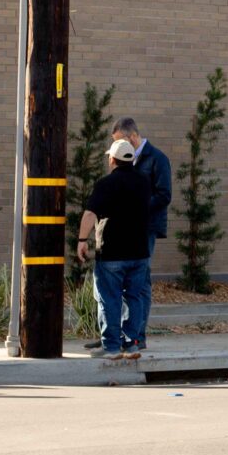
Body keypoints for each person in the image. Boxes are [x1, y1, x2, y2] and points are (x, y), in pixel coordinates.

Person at [79, 140, 154, 359]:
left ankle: (111, 347)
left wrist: (82, 240)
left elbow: (90, 214)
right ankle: (130, 343)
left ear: (112, 159)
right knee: (134, 298)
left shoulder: (106, 184)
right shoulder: (144, 183)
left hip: (112, 253)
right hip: (139, 253)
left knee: (108, 299)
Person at [113, 117, 172, 261]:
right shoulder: (125, 159)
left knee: (141, 269)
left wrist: (136, 208)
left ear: (133, 136)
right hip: (126, 224)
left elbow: (164, 195)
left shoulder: (157, 159)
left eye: (120, 142)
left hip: (146, 225)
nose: (117, 146)